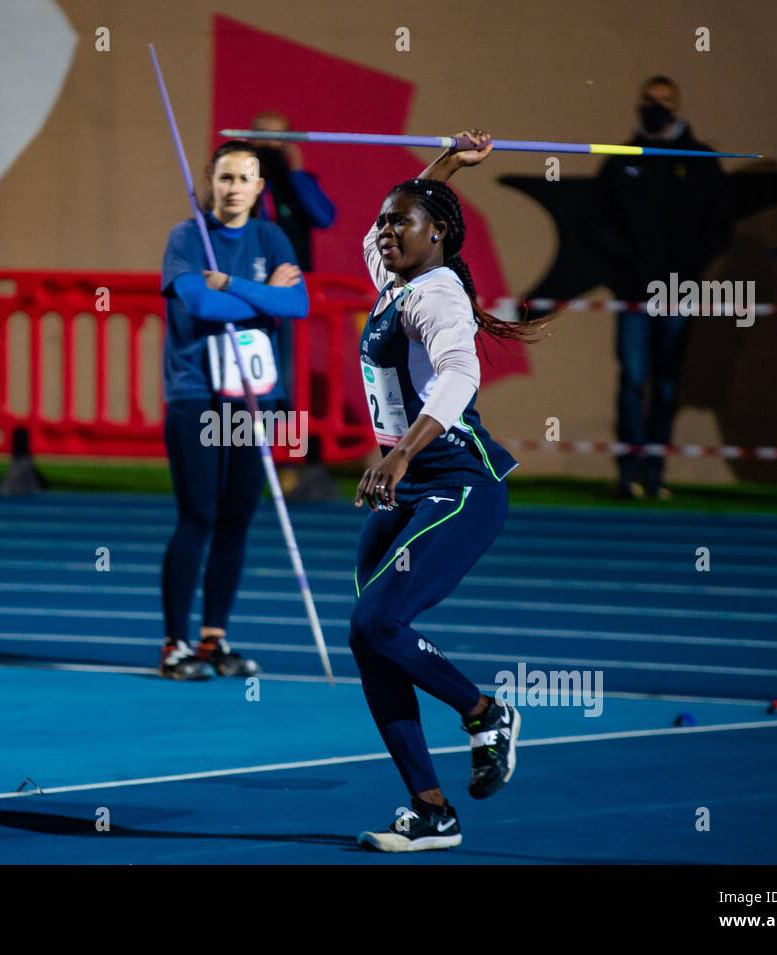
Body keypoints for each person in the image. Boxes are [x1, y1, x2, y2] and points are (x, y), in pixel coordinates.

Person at [351, 130, 540, 852]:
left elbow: (461, 378)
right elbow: (393, 217)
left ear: (440, 236)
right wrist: (450, 165)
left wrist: (399, 453)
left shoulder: (436, 296)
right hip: (409, 487)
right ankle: (430, 809)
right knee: (372, 639)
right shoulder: (395, 276)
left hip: (457, 485)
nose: (387, 232)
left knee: (377, 623)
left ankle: (485, 711)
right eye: (386, 221)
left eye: (403, 223)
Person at [158, 140, 309, 680]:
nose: (233, 187)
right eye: (224, 177)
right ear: (211, 180)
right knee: (198, 516)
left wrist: (238, 286)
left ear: (259, 187)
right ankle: (174, 644)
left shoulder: (271, 236)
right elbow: (200, 304)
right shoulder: (187, 237)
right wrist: (262, 293)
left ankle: (213, 640)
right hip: (196, 392)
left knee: (236, 519)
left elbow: (298, 304)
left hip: (252, 396)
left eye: (245, 178)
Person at [590, 75, 732, 500]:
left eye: (665, 101)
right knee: (634, 378)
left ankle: (655, 471)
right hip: (633, 291)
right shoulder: (621, 161)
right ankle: (628, 471)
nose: (656, 107)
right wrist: (625, 269)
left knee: (666, 381)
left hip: (679, 288)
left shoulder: (701, 160)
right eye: (649, 100)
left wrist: (690, 270)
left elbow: (719, 225)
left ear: (678, 105)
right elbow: (596, 224)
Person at [248, 110, 342, 501]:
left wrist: (296, 175)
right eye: (262, 137)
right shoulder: (246, 183)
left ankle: (288, 462)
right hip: (248, 297)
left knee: (286, 380)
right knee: (251, 379)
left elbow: (325, 217)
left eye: (278, 138)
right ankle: (247, 461)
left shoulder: (296, 183)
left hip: (287, 299)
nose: (270, 146)